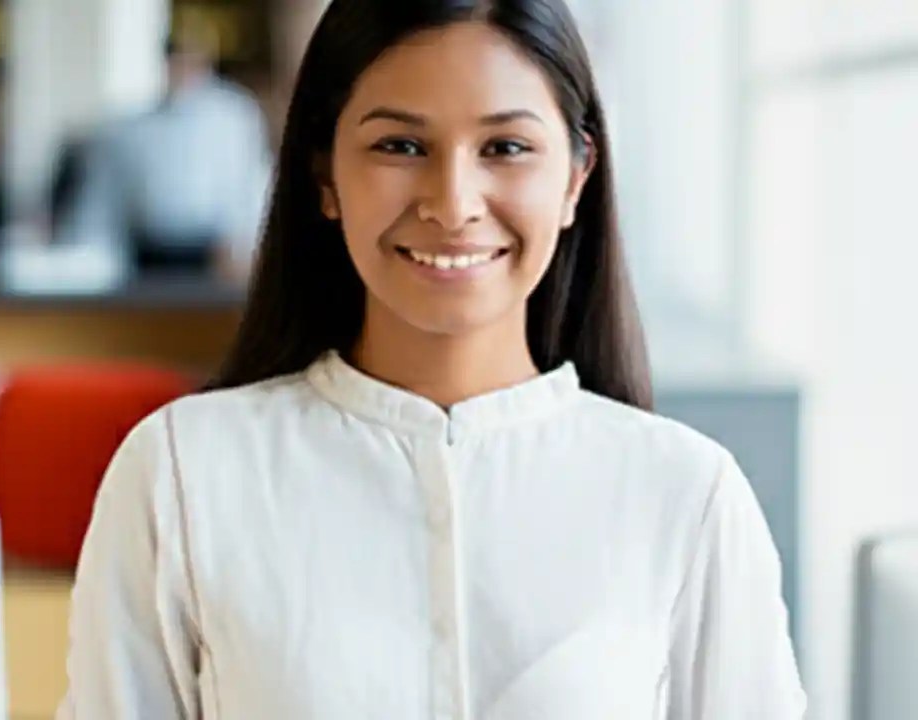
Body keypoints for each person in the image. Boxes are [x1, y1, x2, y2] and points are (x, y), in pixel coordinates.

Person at [60, 0, 807, 718]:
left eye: (506, 148)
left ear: (576, 177)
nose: (453, 204)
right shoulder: (184, 472)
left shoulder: (685, 494)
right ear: (325, 175)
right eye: (400, 146)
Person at [54, 34, 272, 283]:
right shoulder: (133, 127)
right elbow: (104, 201)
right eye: (176, 61)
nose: (183, 70)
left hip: (213, 254)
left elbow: (250, 187)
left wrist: (243, 248)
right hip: (147, 254)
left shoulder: (234, 117)